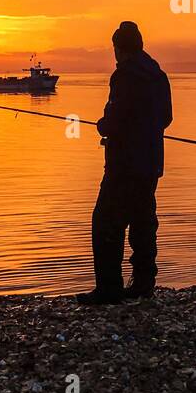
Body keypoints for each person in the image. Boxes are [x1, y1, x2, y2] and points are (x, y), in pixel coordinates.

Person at [77, 21, 173, 305]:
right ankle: (144, 282)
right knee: (143, 221)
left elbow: (114, 121)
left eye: (115, 50)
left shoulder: (125, 75)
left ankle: (109, 288)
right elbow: (165, 119)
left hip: (124, 165)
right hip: (151, 162)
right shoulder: (158, 75)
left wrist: (102, 126)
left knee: (106, 222)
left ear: (120, 49)